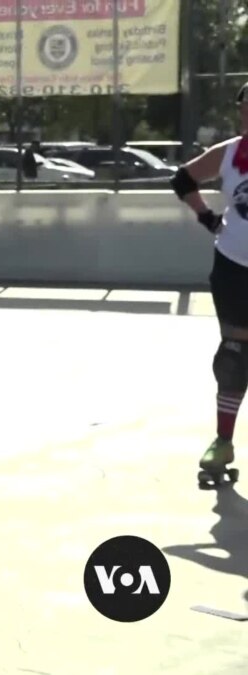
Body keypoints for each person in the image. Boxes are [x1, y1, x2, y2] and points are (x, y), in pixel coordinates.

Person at [169, 81, 248, 488]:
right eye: (246, 108)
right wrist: (209, 220)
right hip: (234, 264)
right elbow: (182, 180)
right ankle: (223, 440)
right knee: (234, 357)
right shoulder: (232, 152)